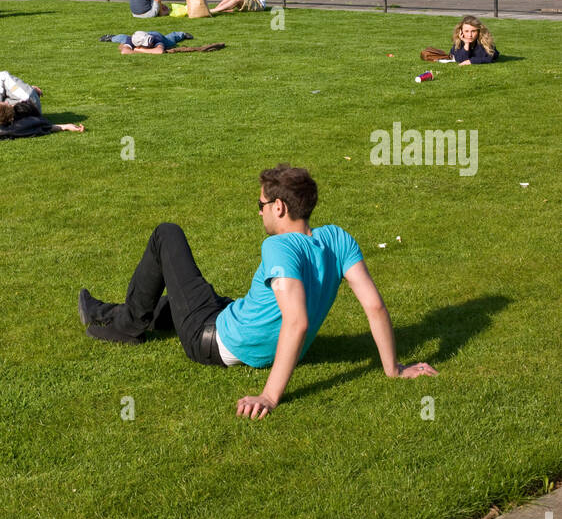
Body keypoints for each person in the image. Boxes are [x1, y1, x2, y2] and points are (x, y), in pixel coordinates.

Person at [78, 165, 438, 414]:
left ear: (279, 208)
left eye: (261, 205)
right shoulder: (338, 239)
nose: (259, 212)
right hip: (233, 318)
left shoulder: (278, 247)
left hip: (212, 340)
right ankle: (116, 314)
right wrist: (394, 368)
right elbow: (374, 306)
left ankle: (127, 326)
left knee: (167, 234)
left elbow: (295, 322)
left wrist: (269, 395)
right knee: (179, 298)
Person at [101, 30, 194, 54]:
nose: (150, 43)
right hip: (135, 38)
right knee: (123, 38)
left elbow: (159, 51)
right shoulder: (132, 39)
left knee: (171, 40)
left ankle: (182, 34)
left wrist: (140, 50)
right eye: (147, 43)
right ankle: (112, 38)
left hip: (159, 36)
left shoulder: (155, 38)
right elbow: (124, 51)